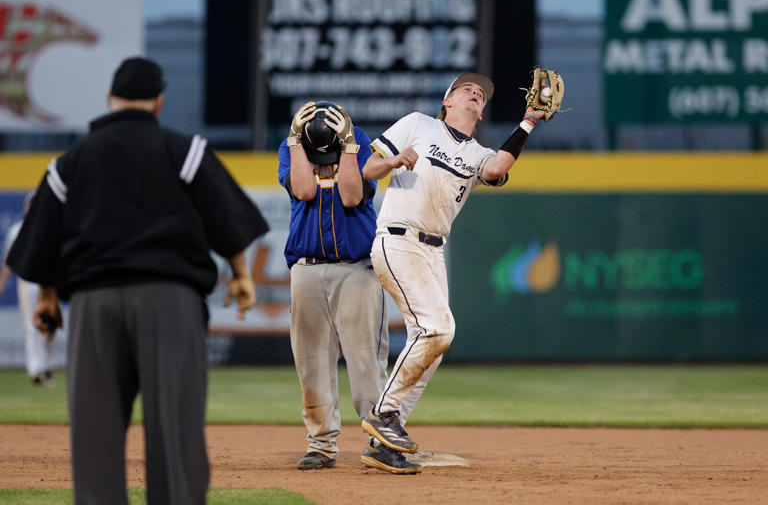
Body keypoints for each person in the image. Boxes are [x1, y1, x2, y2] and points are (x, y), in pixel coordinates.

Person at [6, 56, 269, 504]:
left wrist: (48, 298)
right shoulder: (183, 151)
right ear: (159, 102)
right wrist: (241, 275)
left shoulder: (69, 163)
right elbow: (227, 217)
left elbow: (42, 241)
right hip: (169, 301)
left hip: (93, 305)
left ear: (110, 100)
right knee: (174, 431)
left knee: (95, 436)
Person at [360, 73, 549, 457]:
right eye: (466, 89)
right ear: (447, 101)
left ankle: (381, 443)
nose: (476, 92)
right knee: (438, 328)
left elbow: (496, 169)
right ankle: (383, 414)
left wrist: (528, 120)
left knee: (432, 348)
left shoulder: (478, 154)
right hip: (399, 239)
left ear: (480, 113)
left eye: (481, 93)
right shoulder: (419, 124)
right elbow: (368, 170)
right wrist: (394, 159)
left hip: (433, 251)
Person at [278, 101, 418, 474]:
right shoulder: (292, 145)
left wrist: (350, 143)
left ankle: (381, 442)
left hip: (356, 270)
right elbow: (305, 190)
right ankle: (321, 445)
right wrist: (295, 139)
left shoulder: (359, 141)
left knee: (366, 364)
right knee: (312, 363)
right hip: (307, 269)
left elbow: (352, 196)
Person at [0, 192, 55, 386]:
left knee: (50, 325)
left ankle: (46, 366)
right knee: (32, 326)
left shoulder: (48, 229)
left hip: (47, 281)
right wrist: (2, 282)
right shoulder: (18, 230)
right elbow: (8, 260)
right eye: (30, 204)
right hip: (27, 282)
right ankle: (37, 370)